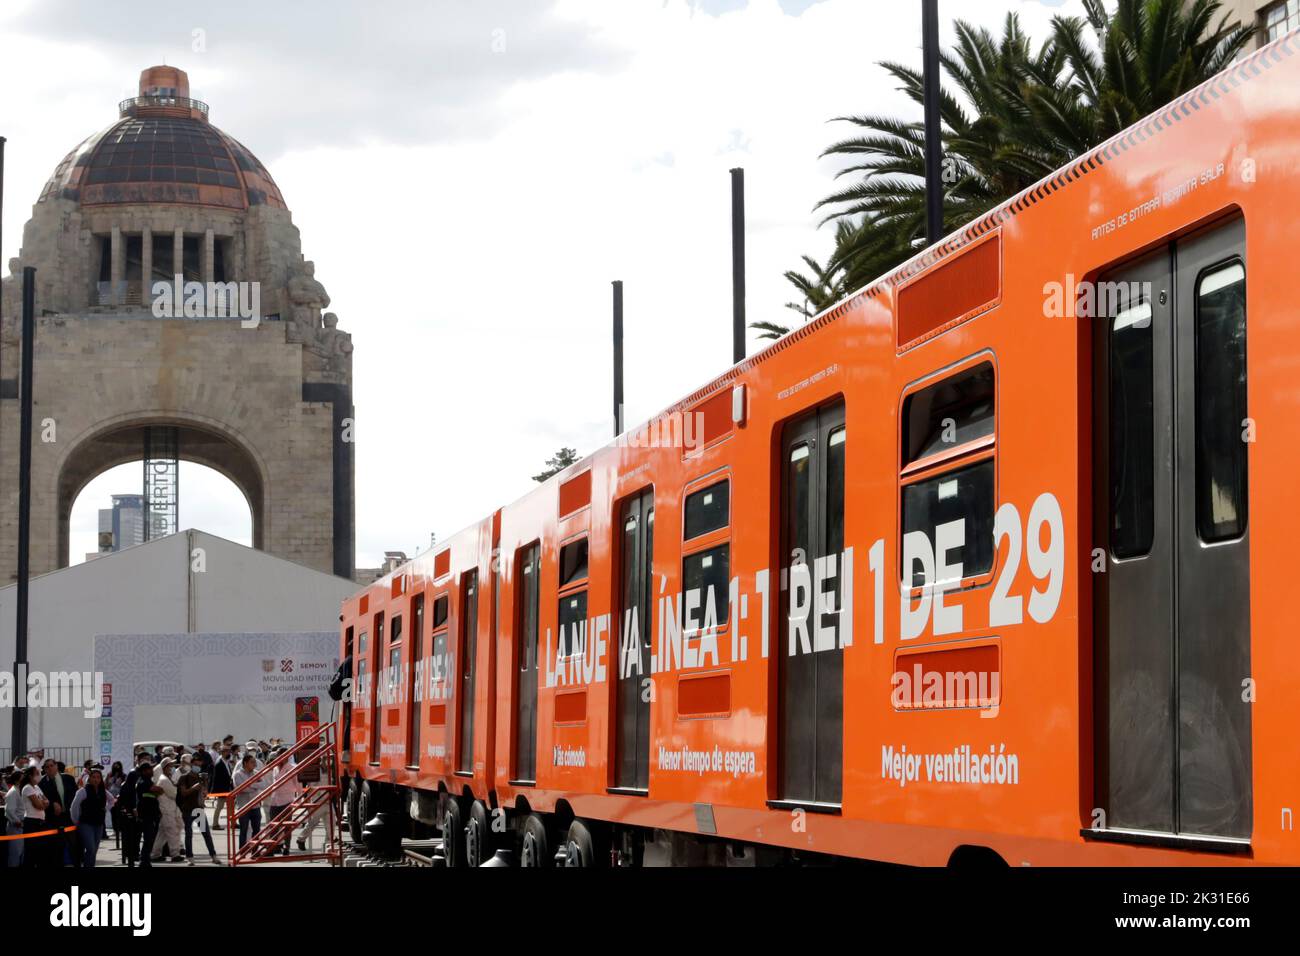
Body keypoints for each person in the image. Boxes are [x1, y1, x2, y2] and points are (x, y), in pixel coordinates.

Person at [177, 756, 221, 865]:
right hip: (187, 810)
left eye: (200, 765)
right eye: (196, 764)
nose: (198, 767)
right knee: (188, 834)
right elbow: (183, 793)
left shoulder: (201, 777)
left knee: (206, 833)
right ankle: (190, 857)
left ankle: (213, 856)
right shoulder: (184, 777)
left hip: (199, 809)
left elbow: (204, 794)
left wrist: (205, 790)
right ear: (191, 764)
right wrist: (194, 788)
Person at [38, 758, 80, 867]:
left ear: (56, 766)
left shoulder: (68, 778)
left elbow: (76, 796)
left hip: (69, 817)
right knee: (56, 847)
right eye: (47, 767)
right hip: (53, 819)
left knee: (74, 845)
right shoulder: (42, 783)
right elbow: (41, 800)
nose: (50, 768)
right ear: (45, 770)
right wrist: (52, 804)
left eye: (52, 765)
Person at [70, 768, 113, 868]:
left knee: (95, 849)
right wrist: (76, 821)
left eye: (98, 777)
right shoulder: (83, 791)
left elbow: (112, 800)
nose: (96, 779)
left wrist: (105, 809)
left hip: (99, 824)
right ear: (89, 779)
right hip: (85, 823)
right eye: (93, 777)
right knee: (90, 848)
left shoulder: (104, 791)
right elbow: (74, 807)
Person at [152, 758, 184, 863]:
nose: (172, 768)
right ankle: (175, 854)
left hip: (167, 809)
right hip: (167, 810)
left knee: (162, 834)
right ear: (165, 767)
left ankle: (154, 854)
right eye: (170, 766)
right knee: (172, 832)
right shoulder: (164, 780)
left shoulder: (166, 778)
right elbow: (174, 794)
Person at [20, 766, 52, 867]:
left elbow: (47, 801)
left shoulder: (37, 787)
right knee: (31, 852)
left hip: (41, 821)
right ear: (30, 776)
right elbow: (38, 806)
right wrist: (43, 803)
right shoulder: (27, 788)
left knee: (41, 852)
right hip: (31, 822)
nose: (39, 776)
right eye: (37, 773)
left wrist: (42, 803)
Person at [232, 754, 266, 850]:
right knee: (244, 829)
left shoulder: (256, 773)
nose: (255, 764)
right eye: (252, 762)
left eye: (255, 762)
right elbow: (242, 788)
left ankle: (255, 851)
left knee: (256, 830)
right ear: (245, 763)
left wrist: (251, 784)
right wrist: (255, 786)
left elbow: (263, 785)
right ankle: (242, 851)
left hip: (255, 806)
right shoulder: (237, 774)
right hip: (244, 806)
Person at [132, 761, 162, 867]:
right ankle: (144, 860)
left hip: (152, 814)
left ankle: (145, 860)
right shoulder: (143, 782)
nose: (152, 770)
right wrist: (158, 789)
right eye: (150, 769)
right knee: (148, 838)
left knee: (150, 838)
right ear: (144, 771)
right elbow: (158, 790)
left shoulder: (148, 781)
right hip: (147, 815)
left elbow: (157, 792)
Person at [4, 770, 26, 867]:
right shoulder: (13, 792)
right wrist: (18, 822)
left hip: (21, 826)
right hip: (16, 827)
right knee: (15, 854)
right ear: (17, 781)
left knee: (21, 853)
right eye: (23, 779)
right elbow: (9, 810)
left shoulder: (19, 791)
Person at [210, 745, 235, 830]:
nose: (229, 753)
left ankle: (233, 823)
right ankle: (215, 824)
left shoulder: (226, 761)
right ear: (223, 752)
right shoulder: (219, 763)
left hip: (227, 788)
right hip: (222, 789)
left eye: (229, 751)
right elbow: (217, 778)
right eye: (227, 751)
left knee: (231, 807)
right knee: (219, 807)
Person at [106, 761, 127, 848]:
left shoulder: (124, 775)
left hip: (119, 797)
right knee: (113, 814)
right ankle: (115, 830)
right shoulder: (110, 775)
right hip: (111, 797)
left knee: (120, 815)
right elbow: (106, 784)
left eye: (118, 766)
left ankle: (121, 830)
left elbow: (125, 786)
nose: (116, 767)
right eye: (115, 766)